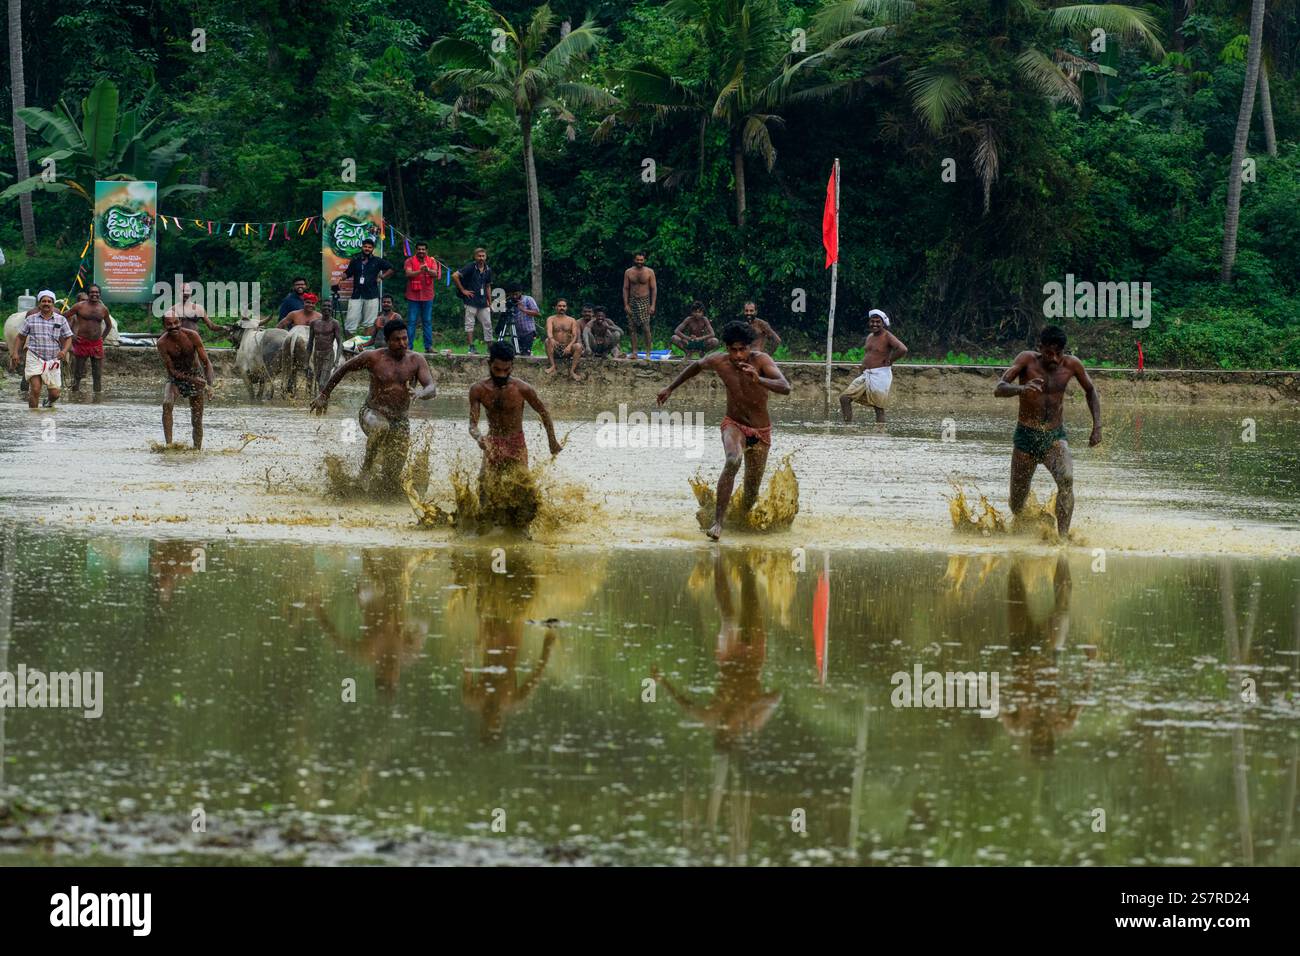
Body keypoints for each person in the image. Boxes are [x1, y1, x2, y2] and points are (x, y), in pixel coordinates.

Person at [657, 321, 790, 540]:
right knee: (733, 459)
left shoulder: (762, 361)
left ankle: (740, 519)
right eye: (733, 350)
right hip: (734, 424)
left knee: (750, 493)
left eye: (742, 349)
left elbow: (785, 386)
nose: (738, 355)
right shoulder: (719, 361)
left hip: (760, 431)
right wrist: (670, 388)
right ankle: (718, 523)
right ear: (727, 349)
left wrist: (759, 378)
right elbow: (696, 366)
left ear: (750, 347)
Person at [994, 325, 1101, 537]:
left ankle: (1061, 539)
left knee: (1066, 480)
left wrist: (1097, 426)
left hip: (1054, 436)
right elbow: (999, 388)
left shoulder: (1072, 365)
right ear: (1039, 348)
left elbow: (1091, 391)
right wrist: (1021, 389)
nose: (1053, 358)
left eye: (1058, 353)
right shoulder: (1026, 360)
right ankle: (1035, 523)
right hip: (1026, 437)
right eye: (1048, 353)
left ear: (1064, 351)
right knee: (1016, 503)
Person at [310, 319, 437, 492]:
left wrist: (420, 393)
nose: (402, 343)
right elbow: (343, 368)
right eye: (397, 340)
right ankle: (366, 471)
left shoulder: (416, 360)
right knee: (381, 428)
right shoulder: (373, 357)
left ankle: (382, 492)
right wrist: (324, 395)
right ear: (387, 341)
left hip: (400, 420)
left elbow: (432, 387)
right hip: (371, 413)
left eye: (405, 338)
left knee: (393, 471)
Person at [468, 341, 563, 525]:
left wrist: (552, 441)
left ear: (512, 366)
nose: (502, 375)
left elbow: (543, 412)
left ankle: (524, 527)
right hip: (492, 442)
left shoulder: (523, 388)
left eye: (506, 370)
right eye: (497, 370)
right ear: (489, 364)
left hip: (516, 443)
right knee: (483, 484)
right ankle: (486, 526)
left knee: (523, 489)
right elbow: (472, 424)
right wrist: (479, 437)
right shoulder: (478, 389)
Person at [155, 312, 214, 449]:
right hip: (176, 377)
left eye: (176, 323)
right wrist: (191, 379)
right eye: (169, 324)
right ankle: (169, 446)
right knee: (167, 404)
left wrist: (210, 386)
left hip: (195, 373)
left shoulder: (192, 336)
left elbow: (206, 362)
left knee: (197, 418)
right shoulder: (162, 343)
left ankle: (196, 450)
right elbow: (171, 371)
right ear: (164, 325)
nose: (173, 326)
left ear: (180, 322)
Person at [839, 309, 907, 424]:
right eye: (872, 321)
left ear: (883, 323)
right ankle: (847, 427)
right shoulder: (870, 336)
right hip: (866, 374)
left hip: (880, 375)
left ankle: (880, 435)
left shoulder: (887, 336)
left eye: (877, 322)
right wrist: (862, 368)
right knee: (844, 398)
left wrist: (890, 360)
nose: (874, 324)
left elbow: (903, 349)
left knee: (879, 408)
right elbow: (869, 354)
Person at [12, 290, 73, 409]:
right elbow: (20, 337)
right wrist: (15, 353)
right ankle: (33, 418)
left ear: (53, 304)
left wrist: (64, 351)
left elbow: (69, 337)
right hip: (34, 356)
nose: (46, 303)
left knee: (55, 394)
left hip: (53, 359)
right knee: (35, 389)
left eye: (49, 301)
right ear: (39, 304)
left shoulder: (61, 320)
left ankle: (48, 402)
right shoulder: (31, 319)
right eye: (43, 301)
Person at [65, 283, 112, 395]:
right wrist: (71, 335)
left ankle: (97, 396)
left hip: (96, 344)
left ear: (99, 294)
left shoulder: (103, 309)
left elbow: (109, 325)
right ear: (88, 293)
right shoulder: (79, 306)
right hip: (81, 342)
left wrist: (102, 339)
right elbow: (63, 317)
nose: (94, 294)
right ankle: (75, 395)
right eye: (92, 292)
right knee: (78, 372)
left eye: (96, 292)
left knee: (97, 374)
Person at [342, 237, 394, 336]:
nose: (367, 249)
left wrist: (382, 277)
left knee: (369, 323)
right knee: (350, 322)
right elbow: (348, 273)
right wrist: (340, 278)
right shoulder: (355, 260)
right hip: (356, 295)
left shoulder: (377, 261)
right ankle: (349, 348)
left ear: (372, 249)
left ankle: (365, 347)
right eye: (365, 246)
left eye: (369, 247)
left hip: (372, 295)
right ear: (362, 247)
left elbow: (391, 268)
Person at [453, 247, 493, 353]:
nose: (481, 258)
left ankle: (489, 347)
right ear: (475, 257)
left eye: (483, 256)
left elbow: (488, 286)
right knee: (470, 323)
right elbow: (455, 276)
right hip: (471, 300)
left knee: (488, 323)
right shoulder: (470, 267)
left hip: (483, 301)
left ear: (486, 257)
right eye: (479, 256)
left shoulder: (488, 269)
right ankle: (471, 346)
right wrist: (463, 290)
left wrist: (490, 301)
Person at [404, 241, 439, 353]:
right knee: (411, 322)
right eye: (419, 249)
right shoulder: (409, 261)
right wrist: (420, 270)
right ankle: (408, 347)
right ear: (416, 250)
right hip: (413, 296)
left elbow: (436, 274)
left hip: (428, 295)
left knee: (427, 321)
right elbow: (408, 274)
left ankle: (428, 347)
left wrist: (427, 269)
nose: (421, 251)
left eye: (423, 249)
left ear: (426, 251)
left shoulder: (432, 261)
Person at [622, 251, 657, 359]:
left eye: (641, 260)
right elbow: (625, 288)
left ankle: (648, 352)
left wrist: (653, 305)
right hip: (632, 301)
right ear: (634, 260)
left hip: (644, 301)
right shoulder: (628, 272)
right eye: (637, 260)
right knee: (632, 328)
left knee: (646, 328)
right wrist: (626, 304)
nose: (639, 262)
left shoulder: (649, 272)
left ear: (644, 260)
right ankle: (634, 352)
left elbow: (654, 288)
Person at [306, 301, 344, 394]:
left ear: (332, 309)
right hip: (317, 355)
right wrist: (306, 361)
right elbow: (310, 343)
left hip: (328, 354)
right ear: (320, 308)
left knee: (322, 382)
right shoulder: (314, 323)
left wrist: (337, 360)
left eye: (329, 306)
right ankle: (324, 399)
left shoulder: (335, 323)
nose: (327, 308)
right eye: (324, 305)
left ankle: (321, 403)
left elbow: (340, 344)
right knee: (319, 380)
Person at [544, 298, 583, 380]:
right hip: (555, 347)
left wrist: (569, 346)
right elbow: (549, 331)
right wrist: (552, 339)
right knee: (548, 341)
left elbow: (575, 335)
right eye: (559, 306)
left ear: (566, 308)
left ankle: (572, 371)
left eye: (564, 306)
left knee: (578, 346)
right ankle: (553, 366)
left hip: (567, 349)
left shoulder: (572, 320)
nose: (562, 308)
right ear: (556, 307)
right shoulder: (551, 319)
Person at [503, 286, 540, 356]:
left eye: (516, 294)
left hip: (528, 332)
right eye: (512, 295)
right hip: (515, 333)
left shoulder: (528, 299)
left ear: (520, 292)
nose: (514, 296)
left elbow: (537, 313)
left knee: (525, 353)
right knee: (515, 354)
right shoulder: (509, 301)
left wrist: (523, 309)